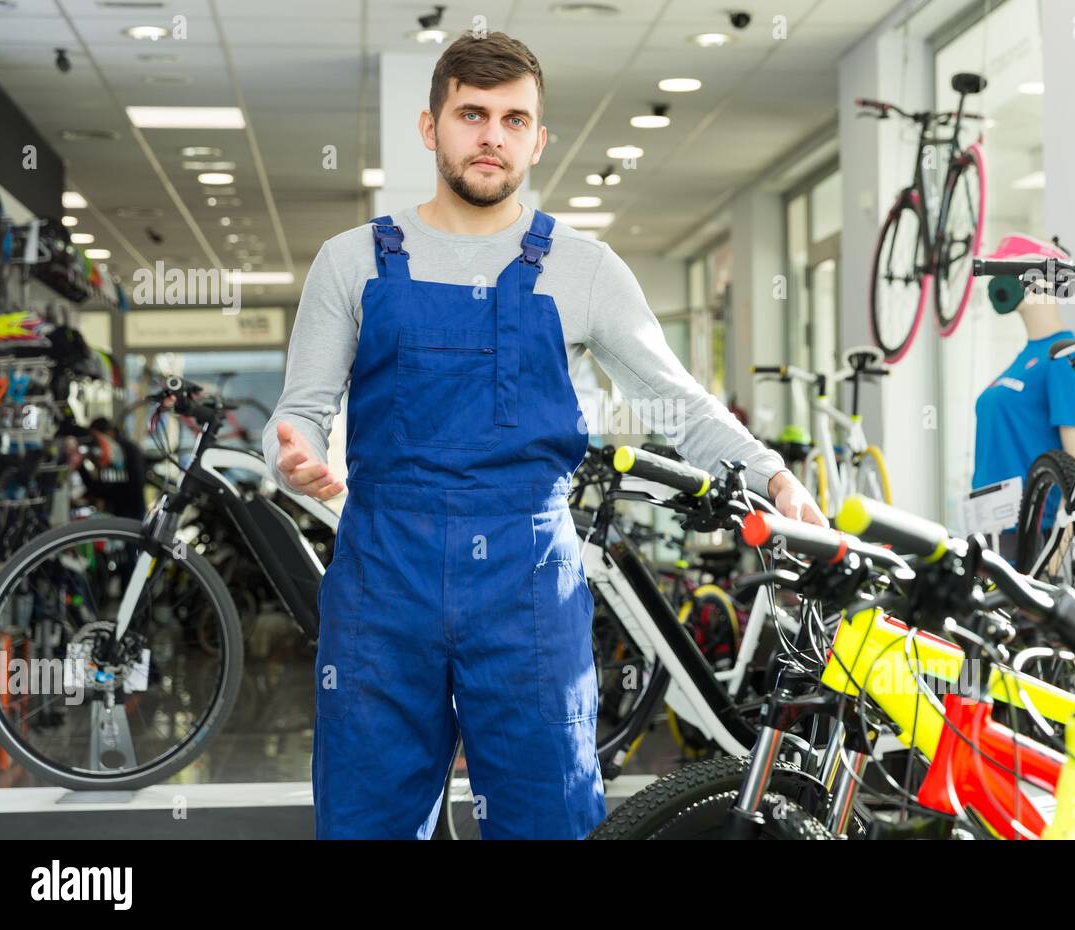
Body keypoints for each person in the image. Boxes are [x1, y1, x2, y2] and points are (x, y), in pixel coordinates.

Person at [261, 30, 824, 840]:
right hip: (383, 579)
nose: (492, 135)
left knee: (548, 818)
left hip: (526, 585)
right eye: (472, 114)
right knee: (365, 819)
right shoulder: (350, 262)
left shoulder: (583, 268)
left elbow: (680, 405)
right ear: (432, 128)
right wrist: (296, 457)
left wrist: (774, 479)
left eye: (514, 119)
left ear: (537, 138)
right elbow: (301, 417)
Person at [973, 234, 1075, 557]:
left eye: (1006, 269)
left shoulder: (1062, 355)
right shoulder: (1027, 356)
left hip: (1029, 537)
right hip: (989, 531)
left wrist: (1061, 546)